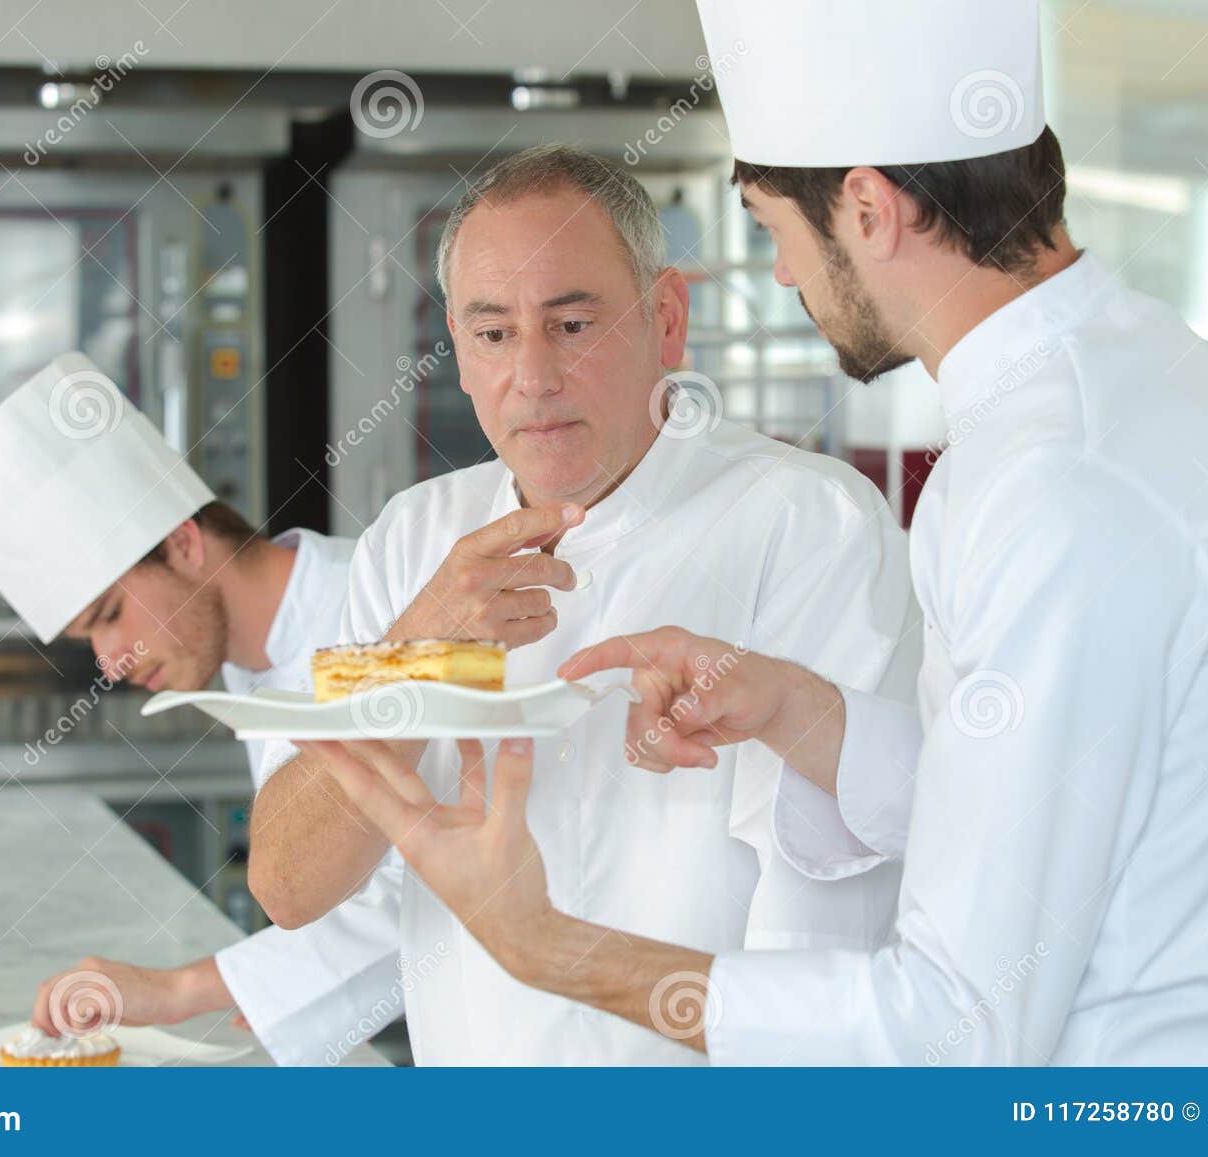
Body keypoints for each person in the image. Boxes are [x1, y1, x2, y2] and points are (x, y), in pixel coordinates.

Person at [312, 0, 1208, 1064]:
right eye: (489, 331)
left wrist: (542, 945)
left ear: (869, 209)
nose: (786, 275)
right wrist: (802, 712)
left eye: (771, 228)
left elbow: (954, 1030)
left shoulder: (1042, 476)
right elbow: (1015, 795)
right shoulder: (1120, 371)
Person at [247, 144, 924, 1064]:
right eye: (494, 334)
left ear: (667, 319)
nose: (533, 376)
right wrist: (419, 653)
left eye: (571, 324)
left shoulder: (807, 522)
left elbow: (824, 925)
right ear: (459, 350)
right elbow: (289, 882)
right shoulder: (411, 540)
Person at [0, 353, 400, 1065]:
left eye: (111, 615)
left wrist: (183, 989)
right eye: (89, 638)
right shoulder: (248, 661)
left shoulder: (378, 607)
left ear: (183, 543)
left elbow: (431, 895)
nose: (110, 662)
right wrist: (265, 980)